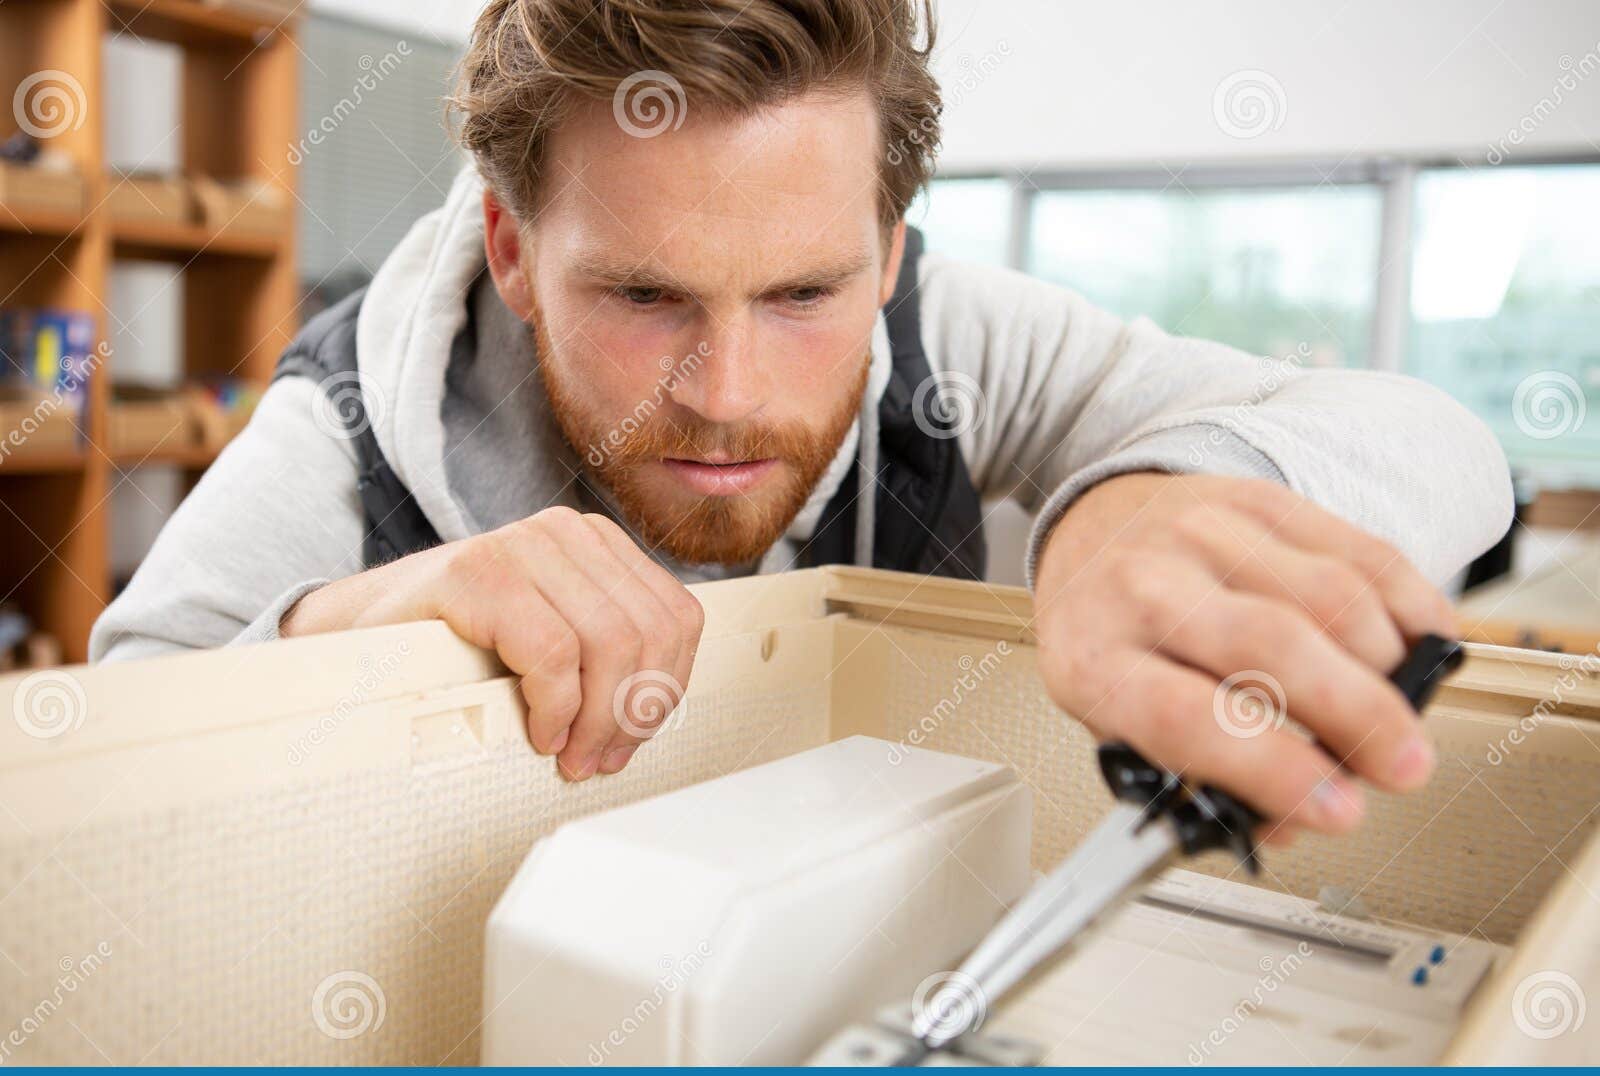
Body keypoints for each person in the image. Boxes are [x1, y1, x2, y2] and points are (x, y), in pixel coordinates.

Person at [91, 0, 1511, 847]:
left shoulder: (954, 340)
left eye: (802, 292)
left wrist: (1145, 498)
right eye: (646, 293)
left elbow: (1450, 450)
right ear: (512, 252)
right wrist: (386, 603)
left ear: (889, 251)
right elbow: (107, 735)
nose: (727, 388)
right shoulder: (347, 407)